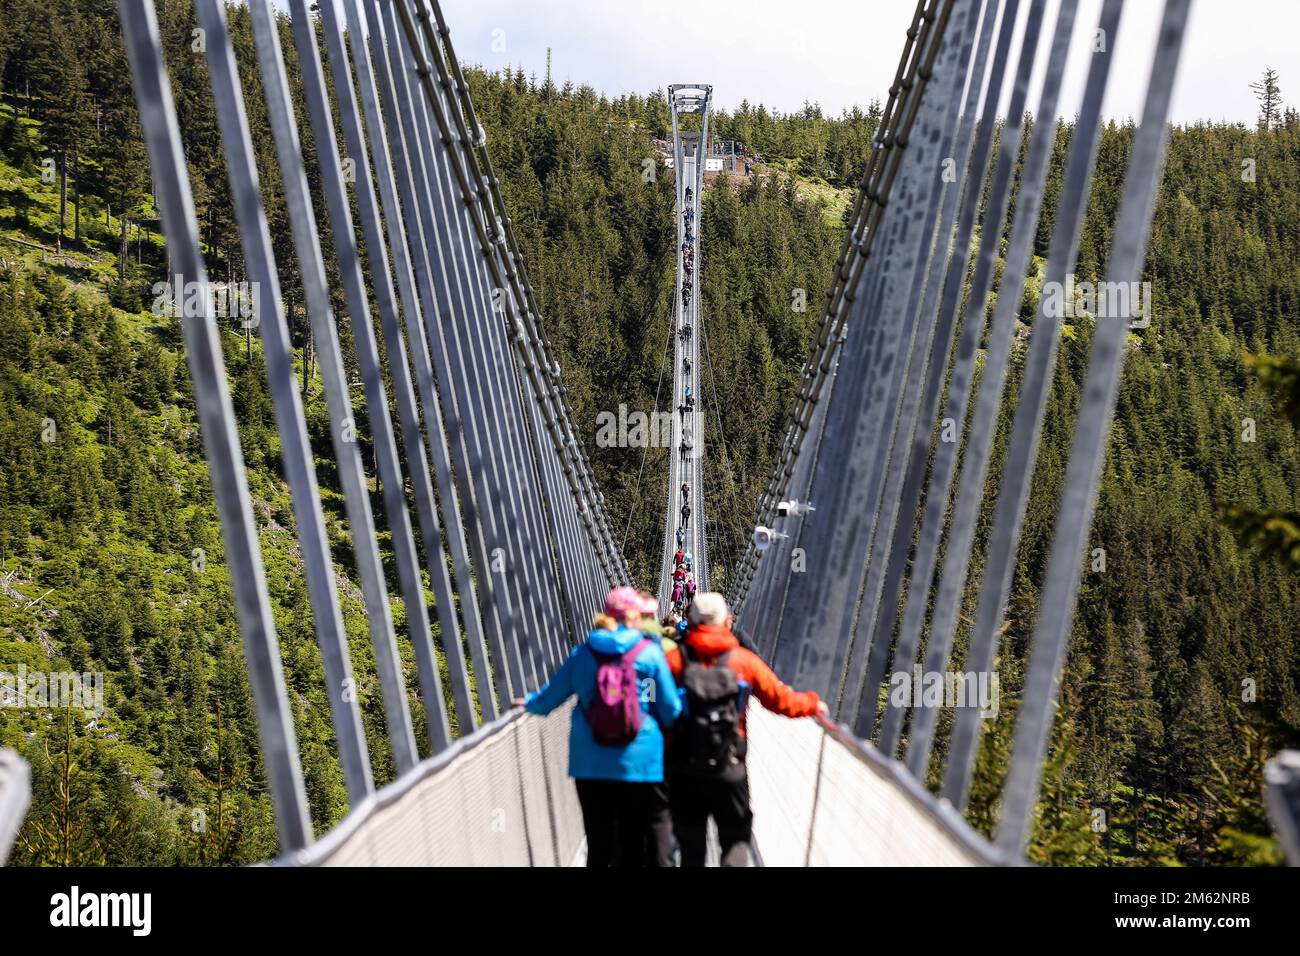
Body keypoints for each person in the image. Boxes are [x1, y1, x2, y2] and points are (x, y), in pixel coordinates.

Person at [518, 586, 682, 867]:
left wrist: (526, 703)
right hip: (639, 764)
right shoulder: (650, 654)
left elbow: (547, 702)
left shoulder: (583, 653)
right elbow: (670, 712)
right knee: (634, 844)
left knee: (599, 845)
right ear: (636, 617)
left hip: (590, 764)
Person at [665, 592, 826, 867]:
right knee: (736, 839)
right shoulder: (743, 661)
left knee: (690, 847)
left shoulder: (672, 661)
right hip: (730, 766)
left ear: (690, 621)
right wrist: (812, 703)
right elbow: (780, 701)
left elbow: (649, 705)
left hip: (684, 768)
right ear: (727, 622)